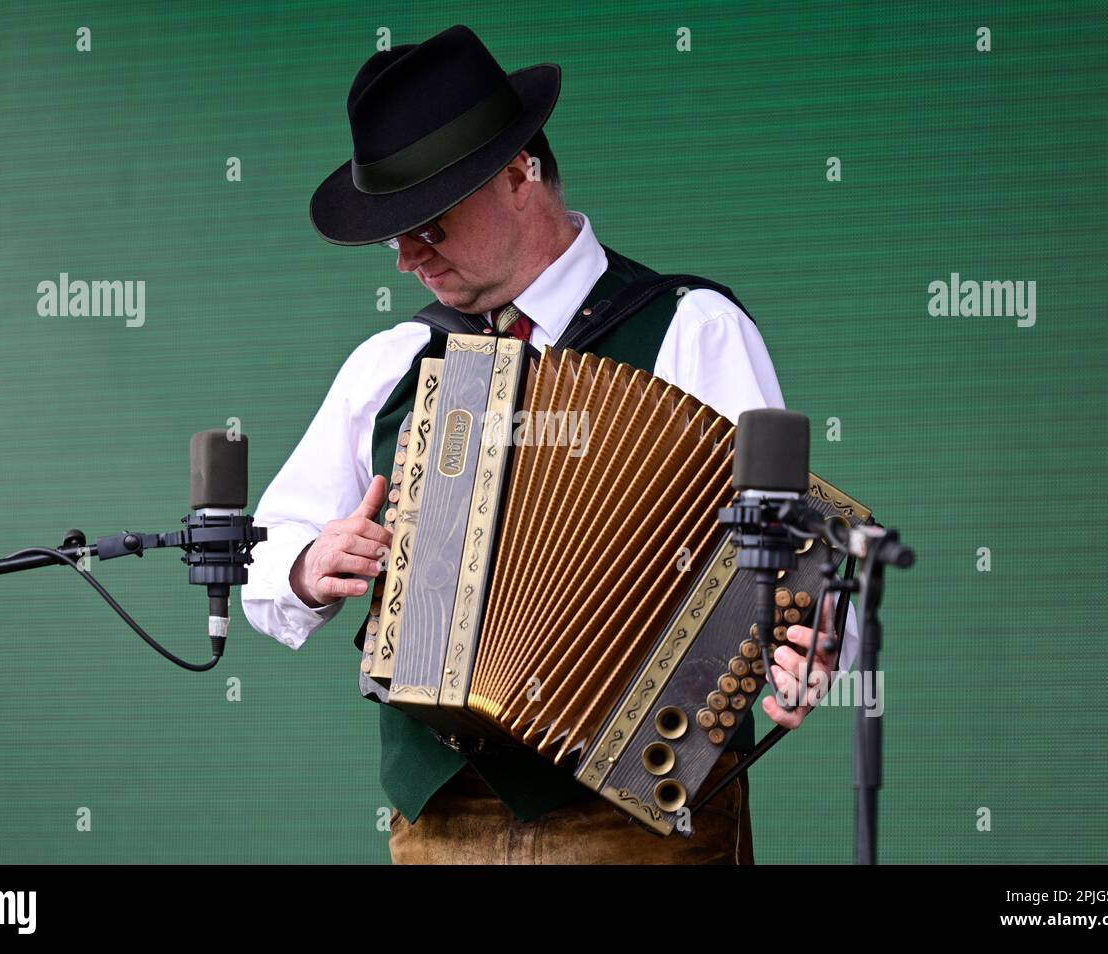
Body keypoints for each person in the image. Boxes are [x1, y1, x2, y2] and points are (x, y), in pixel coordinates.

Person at [242, 24, 857, 864]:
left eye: (431, 223)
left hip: (643, 811)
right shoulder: (387, 364)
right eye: (395, 235)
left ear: (518, 172)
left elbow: (795, 561)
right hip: (436, 820)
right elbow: (267, 552)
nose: (408, 260)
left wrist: (817, 636)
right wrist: (310, 567)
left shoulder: (691, 329)